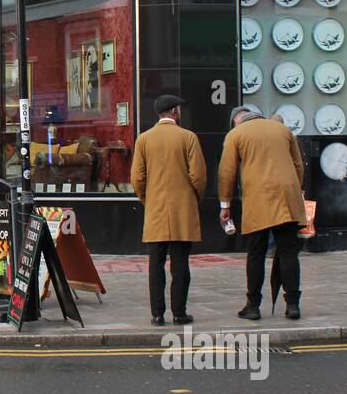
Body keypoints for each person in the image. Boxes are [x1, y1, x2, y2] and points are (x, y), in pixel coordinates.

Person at [219, 106, 306, 321]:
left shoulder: (236, 134)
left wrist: (225, 205)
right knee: (288, 252)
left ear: (238, 121)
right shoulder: (283, 130)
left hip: (258, 199)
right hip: (286, 199)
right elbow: (298, 165)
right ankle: (293, 304)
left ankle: (253, 306)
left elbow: (227, 172)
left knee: (256, 253)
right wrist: (295, 190)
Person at [131, 95, 206, 326]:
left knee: (155, 265)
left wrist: (148, 199)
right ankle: (179, 313)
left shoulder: (144, 139)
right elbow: (198, 176)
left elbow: (137, 178)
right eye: (179, 109)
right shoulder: (188, 137)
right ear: (174, 111)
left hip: (155, 210)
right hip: (183, 210)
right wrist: (193, 199)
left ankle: (157, 314)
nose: (180, 112)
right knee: (180, 264)